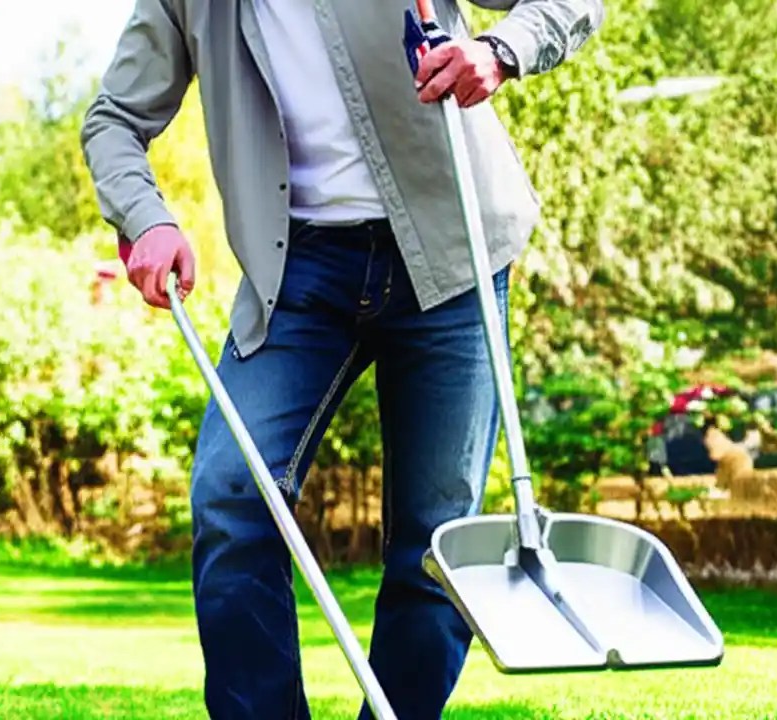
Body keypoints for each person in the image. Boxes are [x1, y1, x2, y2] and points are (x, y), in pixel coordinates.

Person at [80, 1, 603, 718]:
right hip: (295, 273)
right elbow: (113, 119)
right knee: (233, 492)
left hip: (449, 256)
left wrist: (502, 50)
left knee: (437, 544)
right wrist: (148, 219)